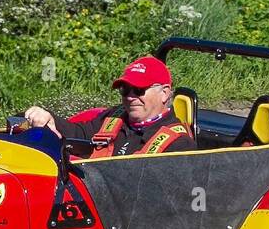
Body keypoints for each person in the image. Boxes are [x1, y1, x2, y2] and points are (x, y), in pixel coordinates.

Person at [23, 56, 196, 157]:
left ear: (164, 93)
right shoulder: (115, 116)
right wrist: (49, 118)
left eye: (139, 90)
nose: (130, 96)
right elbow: (79, 134)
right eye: (124, 89)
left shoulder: (179, 145)